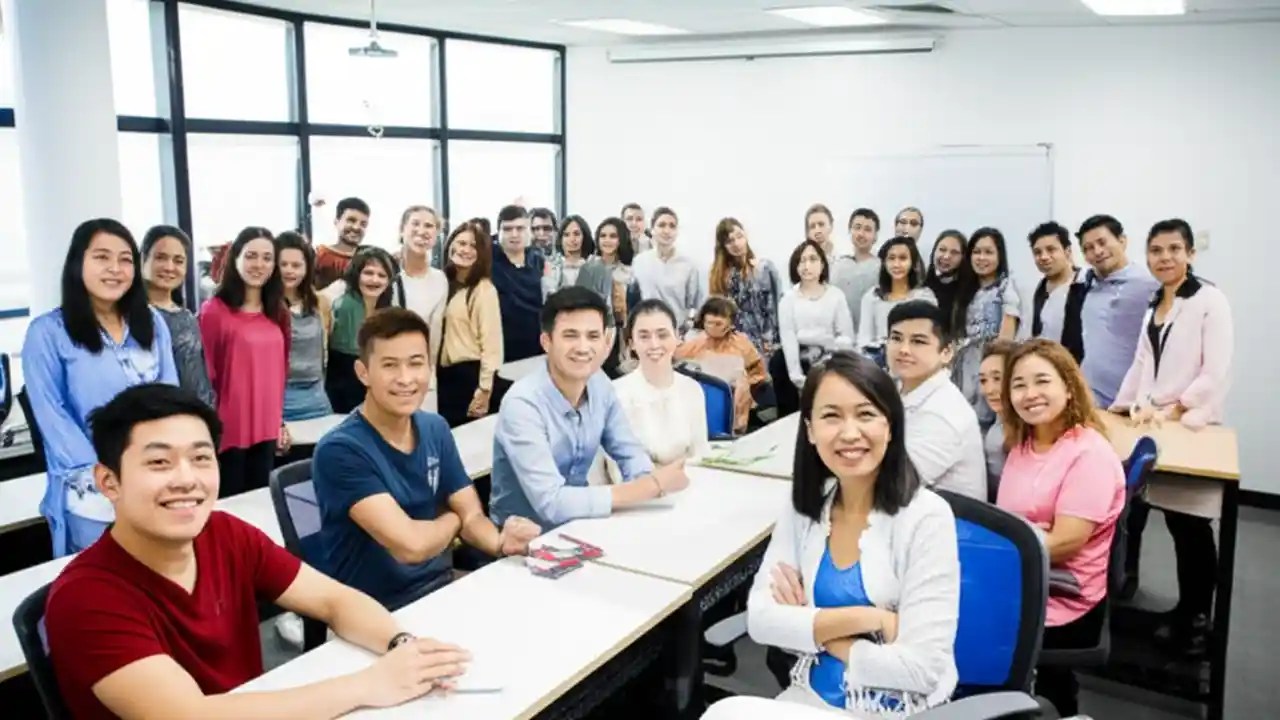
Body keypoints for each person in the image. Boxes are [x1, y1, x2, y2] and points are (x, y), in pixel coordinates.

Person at [45, 383, 470, 719]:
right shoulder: (86, 598)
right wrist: (369, 685)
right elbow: (190, 717)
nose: (186, 479)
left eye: (201, 458)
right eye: (159, 463)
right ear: (109, 482)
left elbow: (333, 599)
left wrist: (402, 646)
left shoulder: (225, 534)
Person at [744, 350, 959, 715]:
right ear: (810, 430)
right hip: (809, 697)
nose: (849, 433)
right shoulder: (805, 508)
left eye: (865, 414)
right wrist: (872, 619)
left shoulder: (927, 518)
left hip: (896, 709)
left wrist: (812, 631)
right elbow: (761, 621)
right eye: (830, 416)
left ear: (889, 426)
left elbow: (919, 670)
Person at [312, 309, 540, 610]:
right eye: (390, 366)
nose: (405, 379)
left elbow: (473, 516)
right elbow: (412, 546)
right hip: (375, 612)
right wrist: (453, 519)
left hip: (441, 588)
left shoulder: (435, 428)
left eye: (416, 363)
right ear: (363, 372)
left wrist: (500, 542)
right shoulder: (340, 451)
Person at [1111, 218, 1233, 654]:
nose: (1164, 258)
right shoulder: (1154, 303)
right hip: (1153, 423)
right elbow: (1143, 362)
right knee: (1169, 521)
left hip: (1190, 423)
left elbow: (1214, 370)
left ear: (1189, 254)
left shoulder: (1209, 300)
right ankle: (1184, 610)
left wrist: (1177, 408)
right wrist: (1122, 406)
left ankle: (1198, 618)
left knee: (1191, 528)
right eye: (1157, 251)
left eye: (1173, 249)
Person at [22, 218, 179, 556]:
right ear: (78, 263)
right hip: (91, 494)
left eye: (125, 259)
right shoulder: (47, 332)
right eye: (102, 257)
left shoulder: (152, 323)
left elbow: (171, 400)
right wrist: (109, 477)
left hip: (153, 480)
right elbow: (53, 418)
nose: (115, 269)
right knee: (101, 589)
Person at [489, 287, 690, 530]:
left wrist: (648, 479)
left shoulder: (599, 384)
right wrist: (648, 487)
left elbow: (629, 453)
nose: (583, 347)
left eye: (593, 336)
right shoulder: (522, 404)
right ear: (546, 341)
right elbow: (551, 503)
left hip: (580, 527)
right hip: (522, 542)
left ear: (606, 342)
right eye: (571, 335)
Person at [996, 339, 1125, 716]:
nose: (1029, 394)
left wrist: (997, 558)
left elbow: (1067, 543)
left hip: (1063, 597)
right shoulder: (1024, 443)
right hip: (1031, 575)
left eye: (1041, 381)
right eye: (1018, 385)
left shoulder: (1088, 454)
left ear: (1068, 388)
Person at [200, 227, 291, 497]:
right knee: (231, 511)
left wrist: (279, 420)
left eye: (267, 258)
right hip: (228, 433)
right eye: (251, 256)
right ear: (235, 258)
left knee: (261, 507)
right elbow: (206, 375)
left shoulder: (278, 311)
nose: (259, 265)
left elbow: (281, 369)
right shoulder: (214, 311)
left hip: (266, 428)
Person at [886, 301, 987, 501]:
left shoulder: (944, 412)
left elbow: (892, 485)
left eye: (918, 341)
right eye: (896, 338)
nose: (903, 349)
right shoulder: (899, 391)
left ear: (946, 352)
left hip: (952, 525)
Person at [604, 300, 711, 482]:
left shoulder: (691, 389)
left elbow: (701, 455)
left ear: (677, 337)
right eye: (644, 336)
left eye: (662, 335)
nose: (654, 345)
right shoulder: (615, 394)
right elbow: (618, 471)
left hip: (689, 488)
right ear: (632, 343)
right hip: (637, 498)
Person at [1076, 214, 1161, 408]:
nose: (1097, 251)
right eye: (1088, 248)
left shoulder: (1149, 286)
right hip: (1090, 397)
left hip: (1129, 401)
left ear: (1122, 241)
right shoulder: (1088, 284)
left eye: (1102, 242)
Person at [771, 240, 855, 417]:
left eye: (812, 259)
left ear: (822, 264)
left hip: (830, 356)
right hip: (796, 362)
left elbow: (846, 338)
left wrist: (819, 341)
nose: (806, 266)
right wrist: (797, 377)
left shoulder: (836, 295)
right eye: (801, 261)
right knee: (779, 362)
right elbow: (789, 338)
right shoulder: (788, 299)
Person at [950, 227, 1022, 425]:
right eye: (976, 252)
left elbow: (1009, 323)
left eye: (988, 252)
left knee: (990, 417)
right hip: (964, 363)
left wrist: (998, 362)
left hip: (991, 359)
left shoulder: (1006, 286)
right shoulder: (965, 290)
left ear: (1000, 255)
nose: (981, 258)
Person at [141, 225, 215, 408]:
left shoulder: (188, 317)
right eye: (160, 257)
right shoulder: (130, 318)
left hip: (197, 417)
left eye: (178, 260)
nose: (169, 267)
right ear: (143, 259)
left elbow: (198, 377)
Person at [437, 222, 503, 427]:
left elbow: (492, 344)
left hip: (470, 377)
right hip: (443, 377)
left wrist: (484, 389)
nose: (465, 249)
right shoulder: (442, 283)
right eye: (461, 243)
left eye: (473, 246)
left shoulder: (483, 289)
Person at [676, 297, 770, 433]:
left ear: (730, 323)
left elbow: (759, 373)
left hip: (735, 400)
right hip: (703, 399)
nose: (712, 328)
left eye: (718, 324)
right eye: (708, 323)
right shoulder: (696, 343)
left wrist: (744, 384)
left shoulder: (742, 344)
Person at [325, 247, 398, 414]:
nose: (374, 279)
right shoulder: (341, 305)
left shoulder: (389, 311)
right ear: (357, 275)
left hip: (377, 386)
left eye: (381, 275)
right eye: (368, 273)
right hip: (342, 388)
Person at [276, 231, 334, 422]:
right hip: (278, 399)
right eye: (283, 265)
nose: (289, 271)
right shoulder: (263, 305)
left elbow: (326, 346)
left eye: (296, 265)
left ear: (307, 268)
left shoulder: (320, 302)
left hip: (316, 397)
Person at [708, 217, 783, 358]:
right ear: (723, 246)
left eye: (739, 237)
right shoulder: (720, 276)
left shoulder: (764, 268)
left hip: (766, 345)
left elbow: (778, 305)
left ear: (746, 236)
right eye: (730, 241)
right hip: (733, 346)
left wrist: (773, 339)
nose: (736, 244)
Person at [855, 236, 936, 368]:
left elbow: (927, 338)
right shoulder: (872, 297)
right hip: (877, 365)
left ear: (913, 263)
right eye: (891, 258)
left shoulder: (924, 297)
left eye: (903, 258)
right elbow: (864, 340)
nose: (897, 264)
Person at [577, 216, 641, 376]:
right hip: (592, 334)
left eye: (613, 236)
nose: (607, 240)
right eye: (603, 236)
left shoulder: (630, 272)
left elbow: (634, 308)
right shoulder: (588, 268)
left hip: (621, 338)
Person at [632, 206, 702, 334]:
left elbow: (694, 305)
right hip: (646, 330)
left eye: (672, 226)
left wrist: (685, 329)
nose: (667, 230)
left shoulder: (688, 265)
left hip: (677, 332)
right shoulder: (639, 262)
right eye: (662, 225)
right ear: (652, 229)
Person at [490, 204, 545, 364]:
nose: (514, 234)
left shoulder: (538, 260)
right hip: (502, 352)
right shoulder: (487, 262)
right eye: (507, 229)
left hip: (537, 349)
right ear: (498, 233)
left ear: (529, 231)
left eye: (520, 228)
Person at [1029, 222, 1087, 360]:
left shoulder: (1084, 285)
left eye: (1051, 250)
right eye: (1037, 252)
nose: (1043, 257)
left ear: (1067, 252)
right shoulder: (1040, 290)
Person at [978, 339, 1017, 502]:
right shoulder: (998, 422)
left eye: (997, 378)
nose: (989, 389)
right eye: (983, 380)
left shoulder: (1032, 430)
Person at [830, 208, 882, 331]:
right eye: (857, 227)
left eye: (868, 229)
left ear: (875, 236)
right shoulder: (836, 265)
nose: (861, 234)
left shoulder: (881, 267)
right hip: (839, 335)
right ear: (850, 230)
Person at [315, 197, 370, 290]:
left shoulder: (369, 259)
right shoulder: (319, 256)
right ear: (336, 222)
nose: (357, 227)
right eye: (351, 220)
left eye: (363, 224)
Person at [543, 214, 595, 298]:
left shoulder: (594, 266)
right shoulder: (551, 266)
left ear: (585, 236)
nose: (572, 239)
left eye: (576, 234)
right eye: (566, 235)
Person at [925, 229, 966, 336]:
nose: (946, 256)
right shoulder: (922, 285)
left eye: (954, 253)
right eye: (942, 250)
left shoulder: (968, 292)